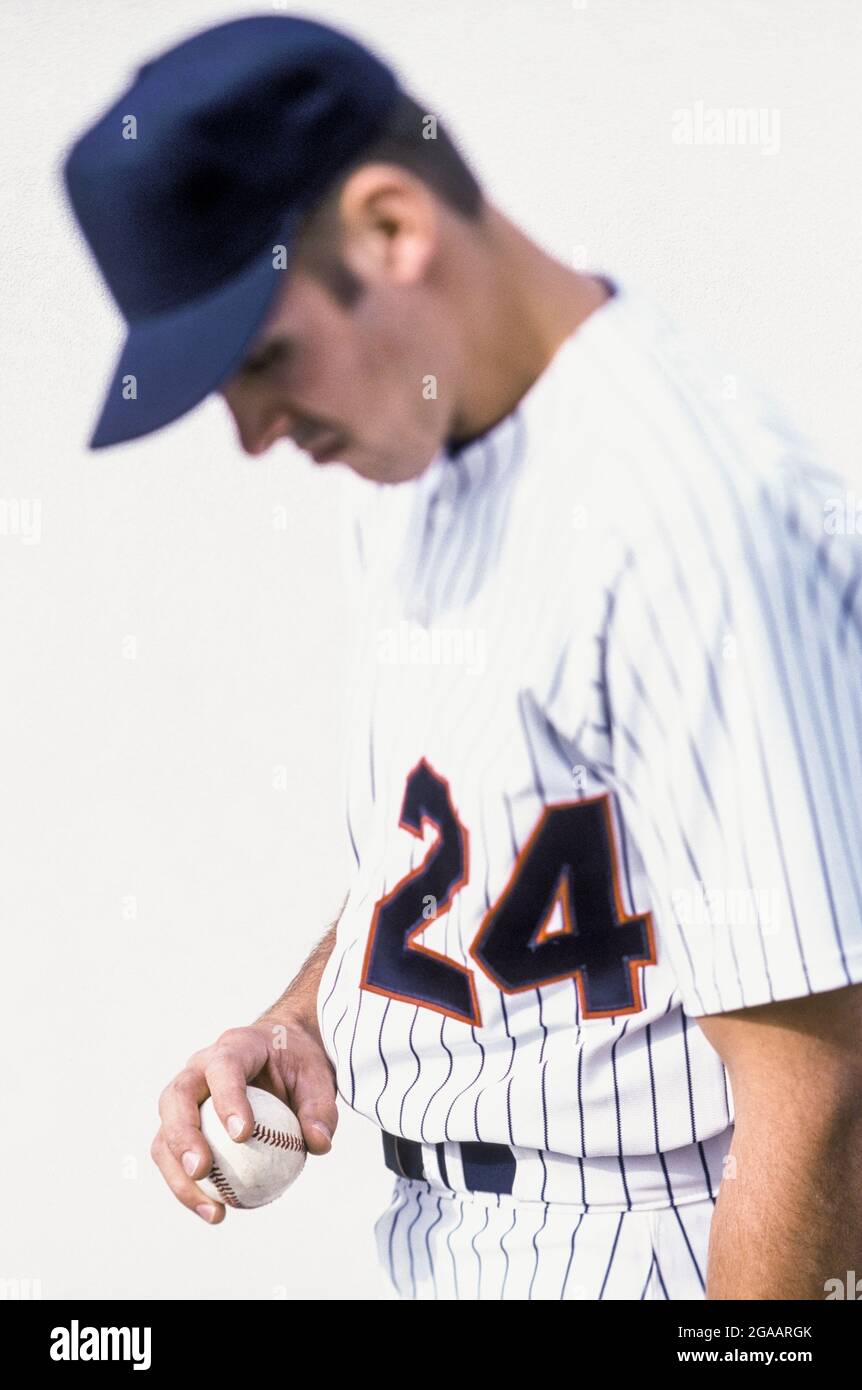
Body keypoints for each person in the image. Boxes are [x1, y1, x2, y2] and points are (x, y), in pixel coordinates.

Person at [64, 15, 862, 1300]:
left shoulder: (691, 518)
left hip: (655, 1243)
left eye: (261, 359)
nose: (257, 431)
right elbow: (460, 848)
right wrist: (301, 1020)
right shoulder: (417, 457)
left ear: (391, 229)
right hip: (449, 1234)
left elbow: (822, 1087)